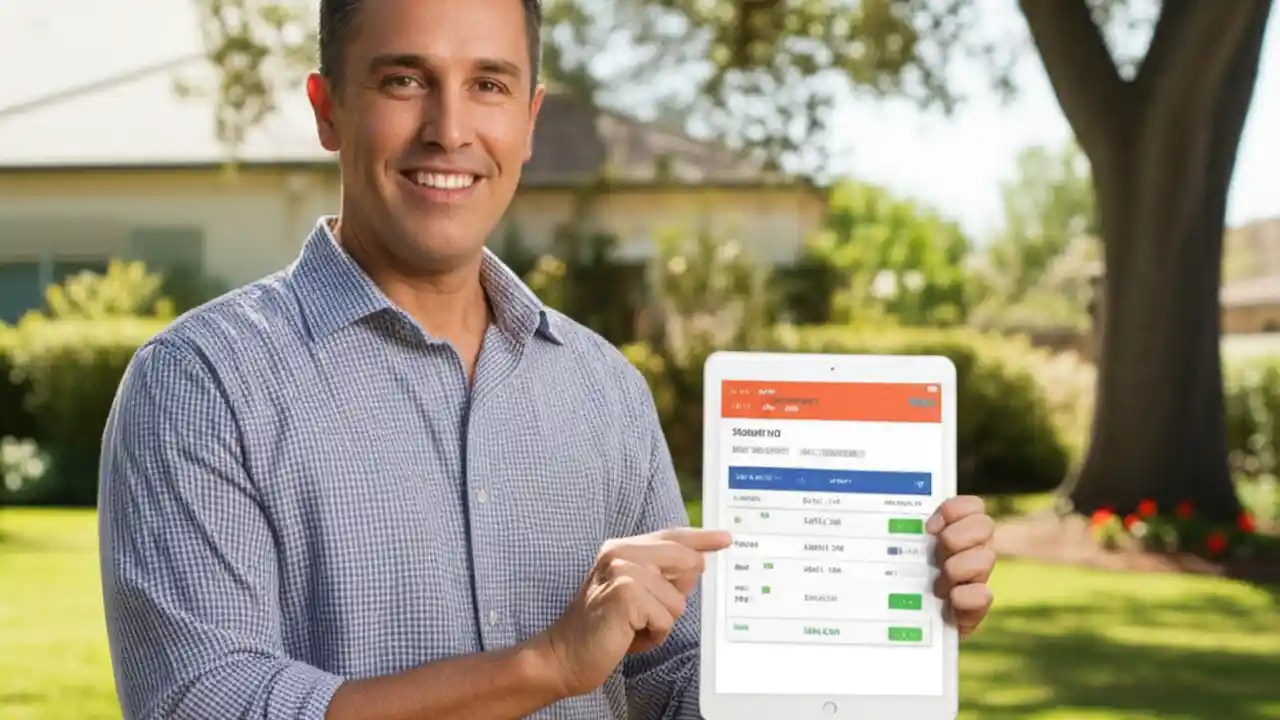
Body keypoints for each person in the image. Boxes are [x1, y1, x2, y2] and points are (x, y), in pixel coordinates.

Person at [96, 0, 997, 718]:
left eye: (488, 85)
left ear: (528, 120)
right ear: (330, 110)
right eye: (406, 79)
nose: (450, 130)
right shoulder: (202, 385)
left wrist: (887, 636)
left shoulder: (603, 388)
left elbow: (674, 691)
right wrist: (546, 666)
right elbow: (206, 703)